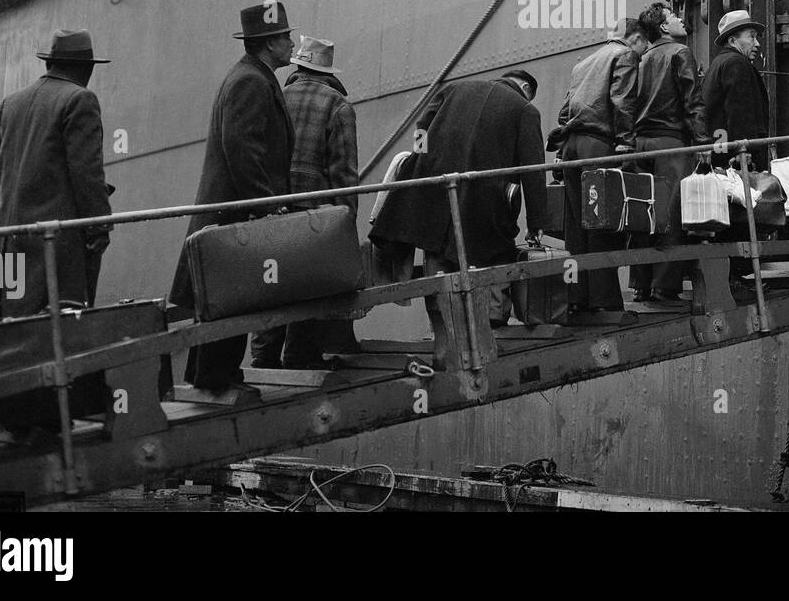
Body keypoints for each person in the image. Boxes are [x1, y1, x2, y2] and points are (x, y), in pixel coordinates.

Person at [170, 0, 296, 392]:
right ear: (270, 43)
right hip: (234, 214)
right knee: (229, 294)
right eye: (286, 36)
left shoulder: (251, 76)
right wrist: (265, 205)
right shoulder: (250, 82)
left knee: (226, 297)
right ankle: (215, 375)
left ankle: (213, 373)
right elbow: (242, 148)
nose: (292, 43)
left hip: (231, 211)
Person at [369, 70, 547, 332]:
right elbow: (533, 171)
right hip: (486, 203)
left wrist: (425, 160)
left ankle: (443, 325)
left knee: (438, 256)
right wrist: (536, 221)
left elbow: (421, 127)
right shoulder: (525, 110)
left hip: (436, 193)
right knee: (493, 255)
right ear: (524, 86)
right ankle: (491, 318)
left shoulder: (453, 90)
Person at [0, 30, 113, 320]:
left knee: (1, 339)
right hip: (47, 249)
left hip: (1, 240)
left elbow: (2, 165)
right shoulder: (80, 99)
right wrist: (100, 227)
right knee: (54, 338)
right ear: (86, 68)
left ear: (49, 63)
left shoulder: (11, 103)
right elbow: (86, 174)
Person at [251, 36, 360, 370]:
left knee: (272, 282)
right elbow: (343, 172)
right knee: (308, 283)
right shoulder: (338, 105)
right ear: (327, 72)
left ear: (298, 66)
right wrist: (346, 220)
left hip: (274, 207)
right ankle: (299, 353)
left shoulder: (277, 97)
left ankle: (263, 356)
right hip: (315, 214)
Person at [550, 18, 647, 318]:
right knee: (602, 224)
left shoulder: (583, 63)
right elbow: (622, 102)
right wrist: (626, 146)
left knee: (577, 229)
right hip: (599, 145)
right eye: (644, 45)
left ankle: (576, 299)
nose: (644, 53)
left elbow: (565, 111)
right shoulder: (625, 55)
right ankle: (605, 301)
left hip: (572, 148)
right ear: (635, 38)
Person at [631, 2, 708, 304]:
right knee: (670, 215)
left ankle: (640, 284)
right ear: (664, 27)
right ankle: (665, 286)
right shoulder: (680, 52)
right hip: (670, 144)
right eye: (673, 16)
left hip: (640, 145)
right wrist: (702, 143)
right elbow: (693, 102)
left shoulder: (637, 59)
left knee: (642, 214)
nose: (679, 19)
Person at [703, 9, 769, 170]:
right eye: (751, 36)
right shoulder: (736, 63)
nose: (757, 43)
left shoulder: (718, 63)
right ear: (733, 41)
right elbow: (740, 112)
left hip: (721, 146)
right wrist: (743, 150)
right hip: (738, 153)